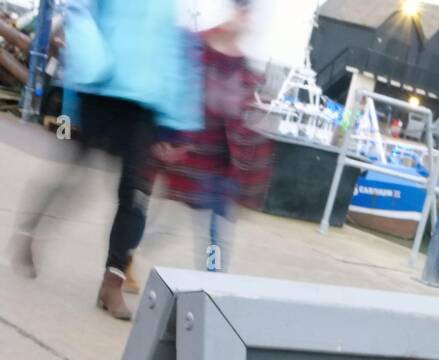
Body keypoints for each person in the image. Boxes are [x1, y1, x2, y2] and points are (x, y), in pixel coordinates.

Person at [11, 0, 201, 319]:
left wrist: (177, 122)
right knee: (75, 179)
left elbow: (175, 55)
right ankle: (31, 231)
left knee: (136, 195)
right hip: (99, 89)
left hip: (144, 105)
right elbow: (80, 14)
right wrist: (84, 75)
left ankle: (112, 281)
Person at [152, 0, 272, 273]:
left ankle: (211, 284)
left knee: (217, 237)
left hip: (225, 169)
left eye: (247, 13)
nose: (244, 18)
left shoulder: (245, 67)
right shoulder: (197, 47)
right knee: (164, 227)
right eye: (240, 11)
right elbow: (177, 94)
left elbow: (246, 124)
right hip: (190, 159)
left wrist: (249, 181)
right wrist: (166, 139)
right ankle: (127, 254)